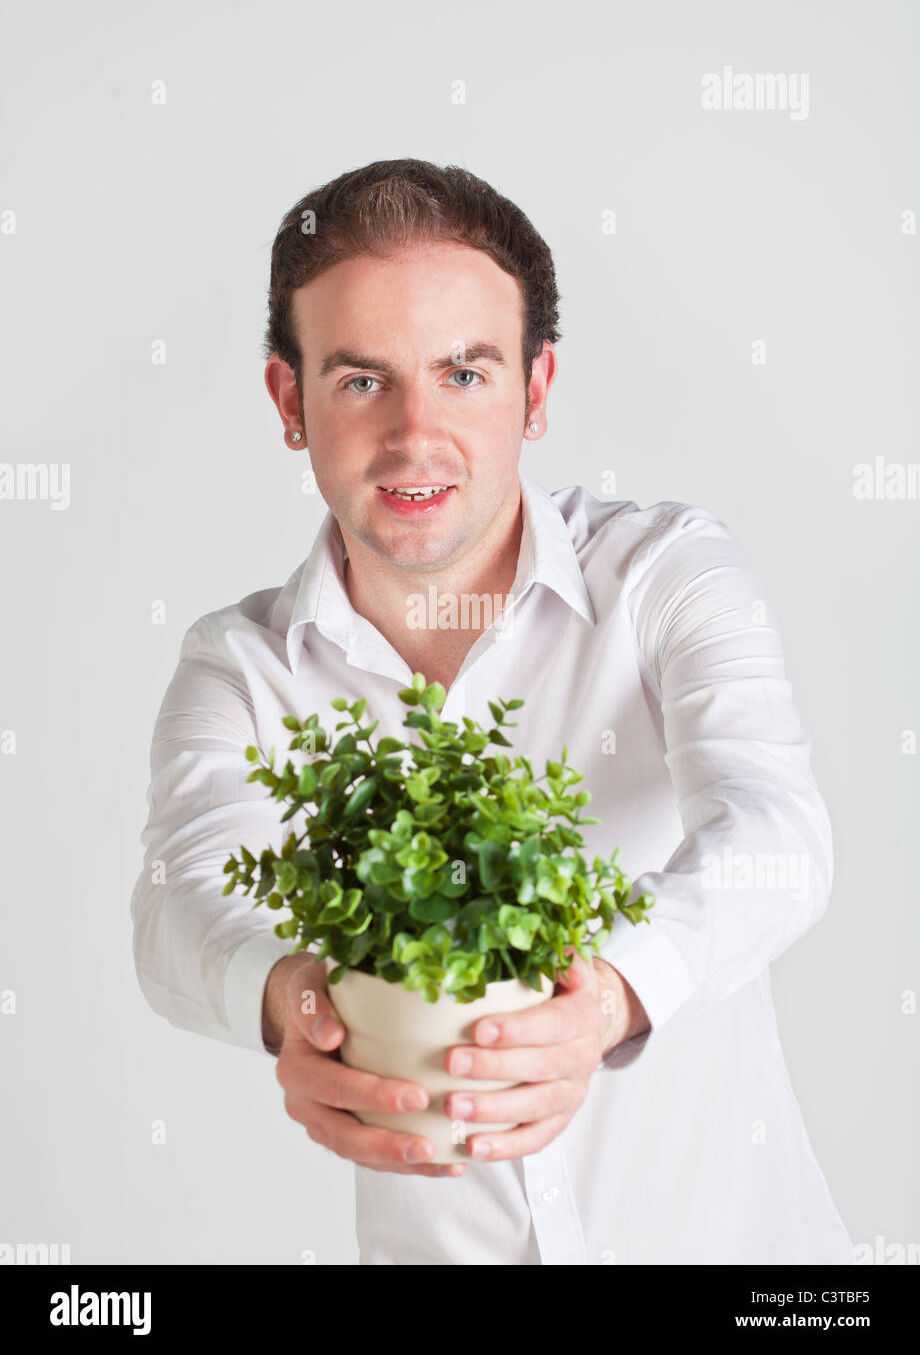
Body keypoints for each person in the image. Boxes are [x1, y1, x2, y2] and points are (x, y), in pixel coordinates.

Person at [132, 158, 854, 1264]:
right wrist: (289, 1002)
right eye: (362, 381)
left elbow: (777, 836)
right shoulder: (241, 669)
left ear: (535, 386)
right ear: (291, 401)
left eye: (463, 373)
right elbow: (178, 910)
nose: (416, 435)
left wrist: (609, 996)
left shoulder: (664, 575)